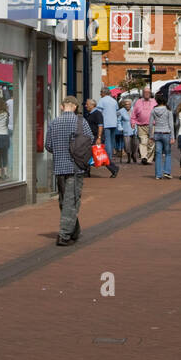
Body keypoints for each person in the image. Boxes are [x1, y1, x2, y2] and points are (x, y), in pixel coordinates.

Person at [45, 96, 94, 245]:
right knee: (71, 201)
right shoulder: (81, 122)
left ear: (61, 106)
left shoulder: (54, 123)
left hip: (59, 167)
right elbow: (89, 140)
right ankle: (64, 235)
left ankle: (74, 230)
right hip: (75, 166)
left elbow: (48, 146)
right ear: (75, 107)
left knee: (64, 200)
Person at [84, 97, 119, 177]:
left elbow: (100, 126)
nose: (86, 106)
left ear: (93, 105)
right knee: (88, 154)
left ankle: (114, 168)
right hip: (92, 137)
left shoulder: (97, 113)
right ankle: (86, 171)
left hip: (96, 137)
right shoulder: (90, 114)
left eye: (87, 104)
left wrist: (99, 138)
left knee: (99, 155)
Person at [130, 89, 157, 166]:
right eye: (145, 92)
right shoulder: (138, 102)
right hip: (141, 125)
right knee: (143, 141)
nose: (147, 94)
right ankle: (144, 157)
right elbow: (133, 113)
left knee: (151, 143)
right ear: (142, 93)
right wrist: (132, 122)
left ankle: (149, 159)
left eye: (148, 92)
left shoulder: (154, 101)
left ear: (150, 93)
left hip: (152, 125)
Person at [149, 98, 173, 179]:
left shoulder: (153, 110)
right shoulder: (168, 110)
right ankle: (167, 172)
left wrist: (150, 135)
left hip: (157, 133)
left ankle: (158, 174)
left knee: (158, 154)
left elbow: (150, 124)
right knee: (168, 153)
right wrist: (173, 136)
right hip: (166, 133)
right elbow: (171, 124)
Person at [96, 88, 120, 163]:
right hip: (113, 123)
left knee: (107, 141)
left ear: (103, 93)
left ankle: (108, 157)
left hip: (106, 123)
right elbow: (117, 112)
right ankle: (111, 156)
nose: (100, 94)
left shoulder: (102, 100)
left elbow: (99, 112)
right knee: (112, 141)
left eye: (100, 92)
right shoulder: (114, 101)